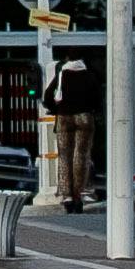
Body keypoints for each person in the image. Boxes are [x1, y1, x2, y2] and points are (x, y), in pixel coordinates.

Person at [35, 37, 100, 219]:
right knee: (82, 155)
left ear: (67, 58)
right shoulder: (89, 75)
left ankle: (67, 196)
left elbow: (48, 96)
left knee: (64, 156)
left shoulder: (62, 74)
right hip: (84, 118)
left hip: (63, 118)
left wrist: (57, 109)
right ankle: (80, 194)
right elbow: (97, 98)